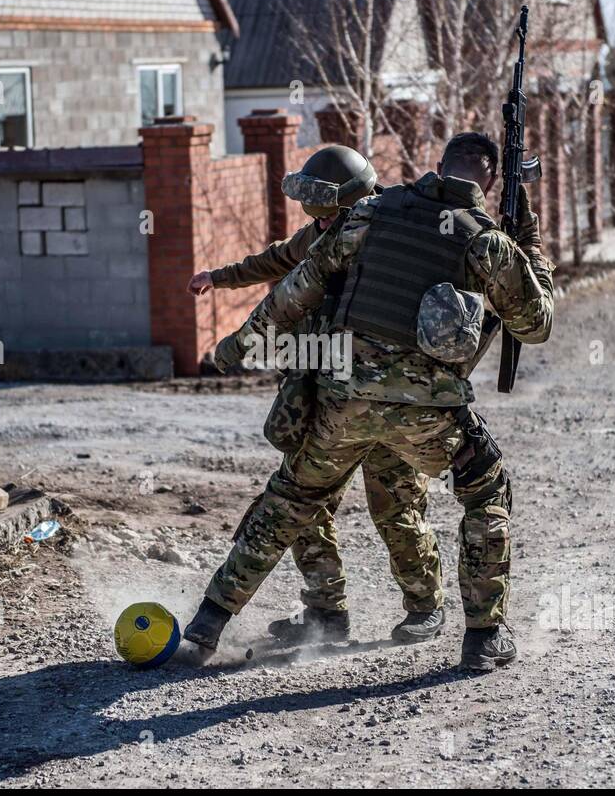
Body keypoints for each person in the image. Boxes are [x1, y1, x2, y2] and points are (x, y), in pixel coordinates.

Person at [184, 132, 555, 671]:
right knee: (485, 490)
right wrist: (529, 241)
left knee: (290, 498)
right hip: (428, 416)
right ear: (492, 181)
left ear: (437, 166)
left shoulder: (371, 214)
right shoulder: (488, 241)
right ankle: (483, 637)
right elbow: (537, 324)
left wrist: (236, 346)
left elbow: (297, 288)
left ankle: (209, 622)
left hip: (343, 402)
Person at [188, 146, 445, 645]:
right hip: (331, 402)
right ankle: (326, 613)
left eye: (328, 215)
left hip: (394, 399)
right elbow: (279, 259)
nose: (321, 226)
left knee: (396, 509)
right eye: (318, 217)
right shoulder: (326, 233)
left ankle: (424, 607)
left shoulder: (393, 237)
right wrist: (217, 278)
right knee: (305, 506)